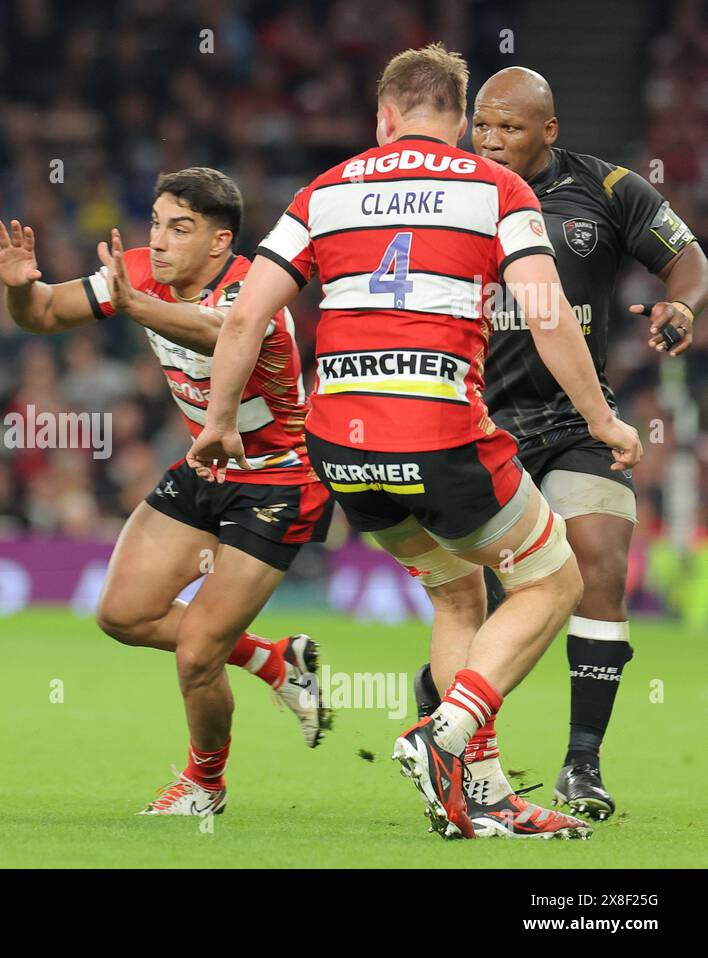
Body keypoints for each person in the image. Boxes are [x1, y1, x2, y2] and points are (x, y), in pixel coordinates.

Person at [189, 44, 643, 839]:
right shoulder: (497, 187)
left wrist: (221, 420)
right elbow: (545, 314)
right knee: (553, 581)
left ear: (384, 117)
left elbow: (245, 317)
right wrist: (602, 421)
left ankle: (488, 790)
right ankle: (446, 734)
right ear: (463, 123)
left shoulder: (323, 192)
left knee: (456, 592)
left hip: (339, 448)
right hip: (439, 432)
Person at [0, 167, 331, 817]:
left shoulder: (256, 289)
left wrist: (132, 301)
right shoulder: (139, 271)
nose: (161, 242)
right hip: (207, 464)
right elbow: (44, 315)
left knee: (199, 652)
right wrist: (19, 289)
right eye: (156, 224)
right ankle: (278, 663)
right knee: (122, 613)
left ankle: (205, 784)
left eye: (181, 228)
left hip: (279, 479)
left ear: (220, 243)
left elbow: (221, 332)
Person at [409, 66, 706, 821]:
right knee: (493, 596)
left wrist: (682, 303)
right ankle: (447, 717)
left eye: (510, 128)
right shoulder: (449, 191)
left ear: (549, 131)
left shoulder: (609, 191)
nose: (492, 141)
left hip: (575, 421)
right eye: (482, 126)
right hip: (475, 422)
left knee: (599, 565)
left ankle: (583, 765)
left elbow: (689, 258)